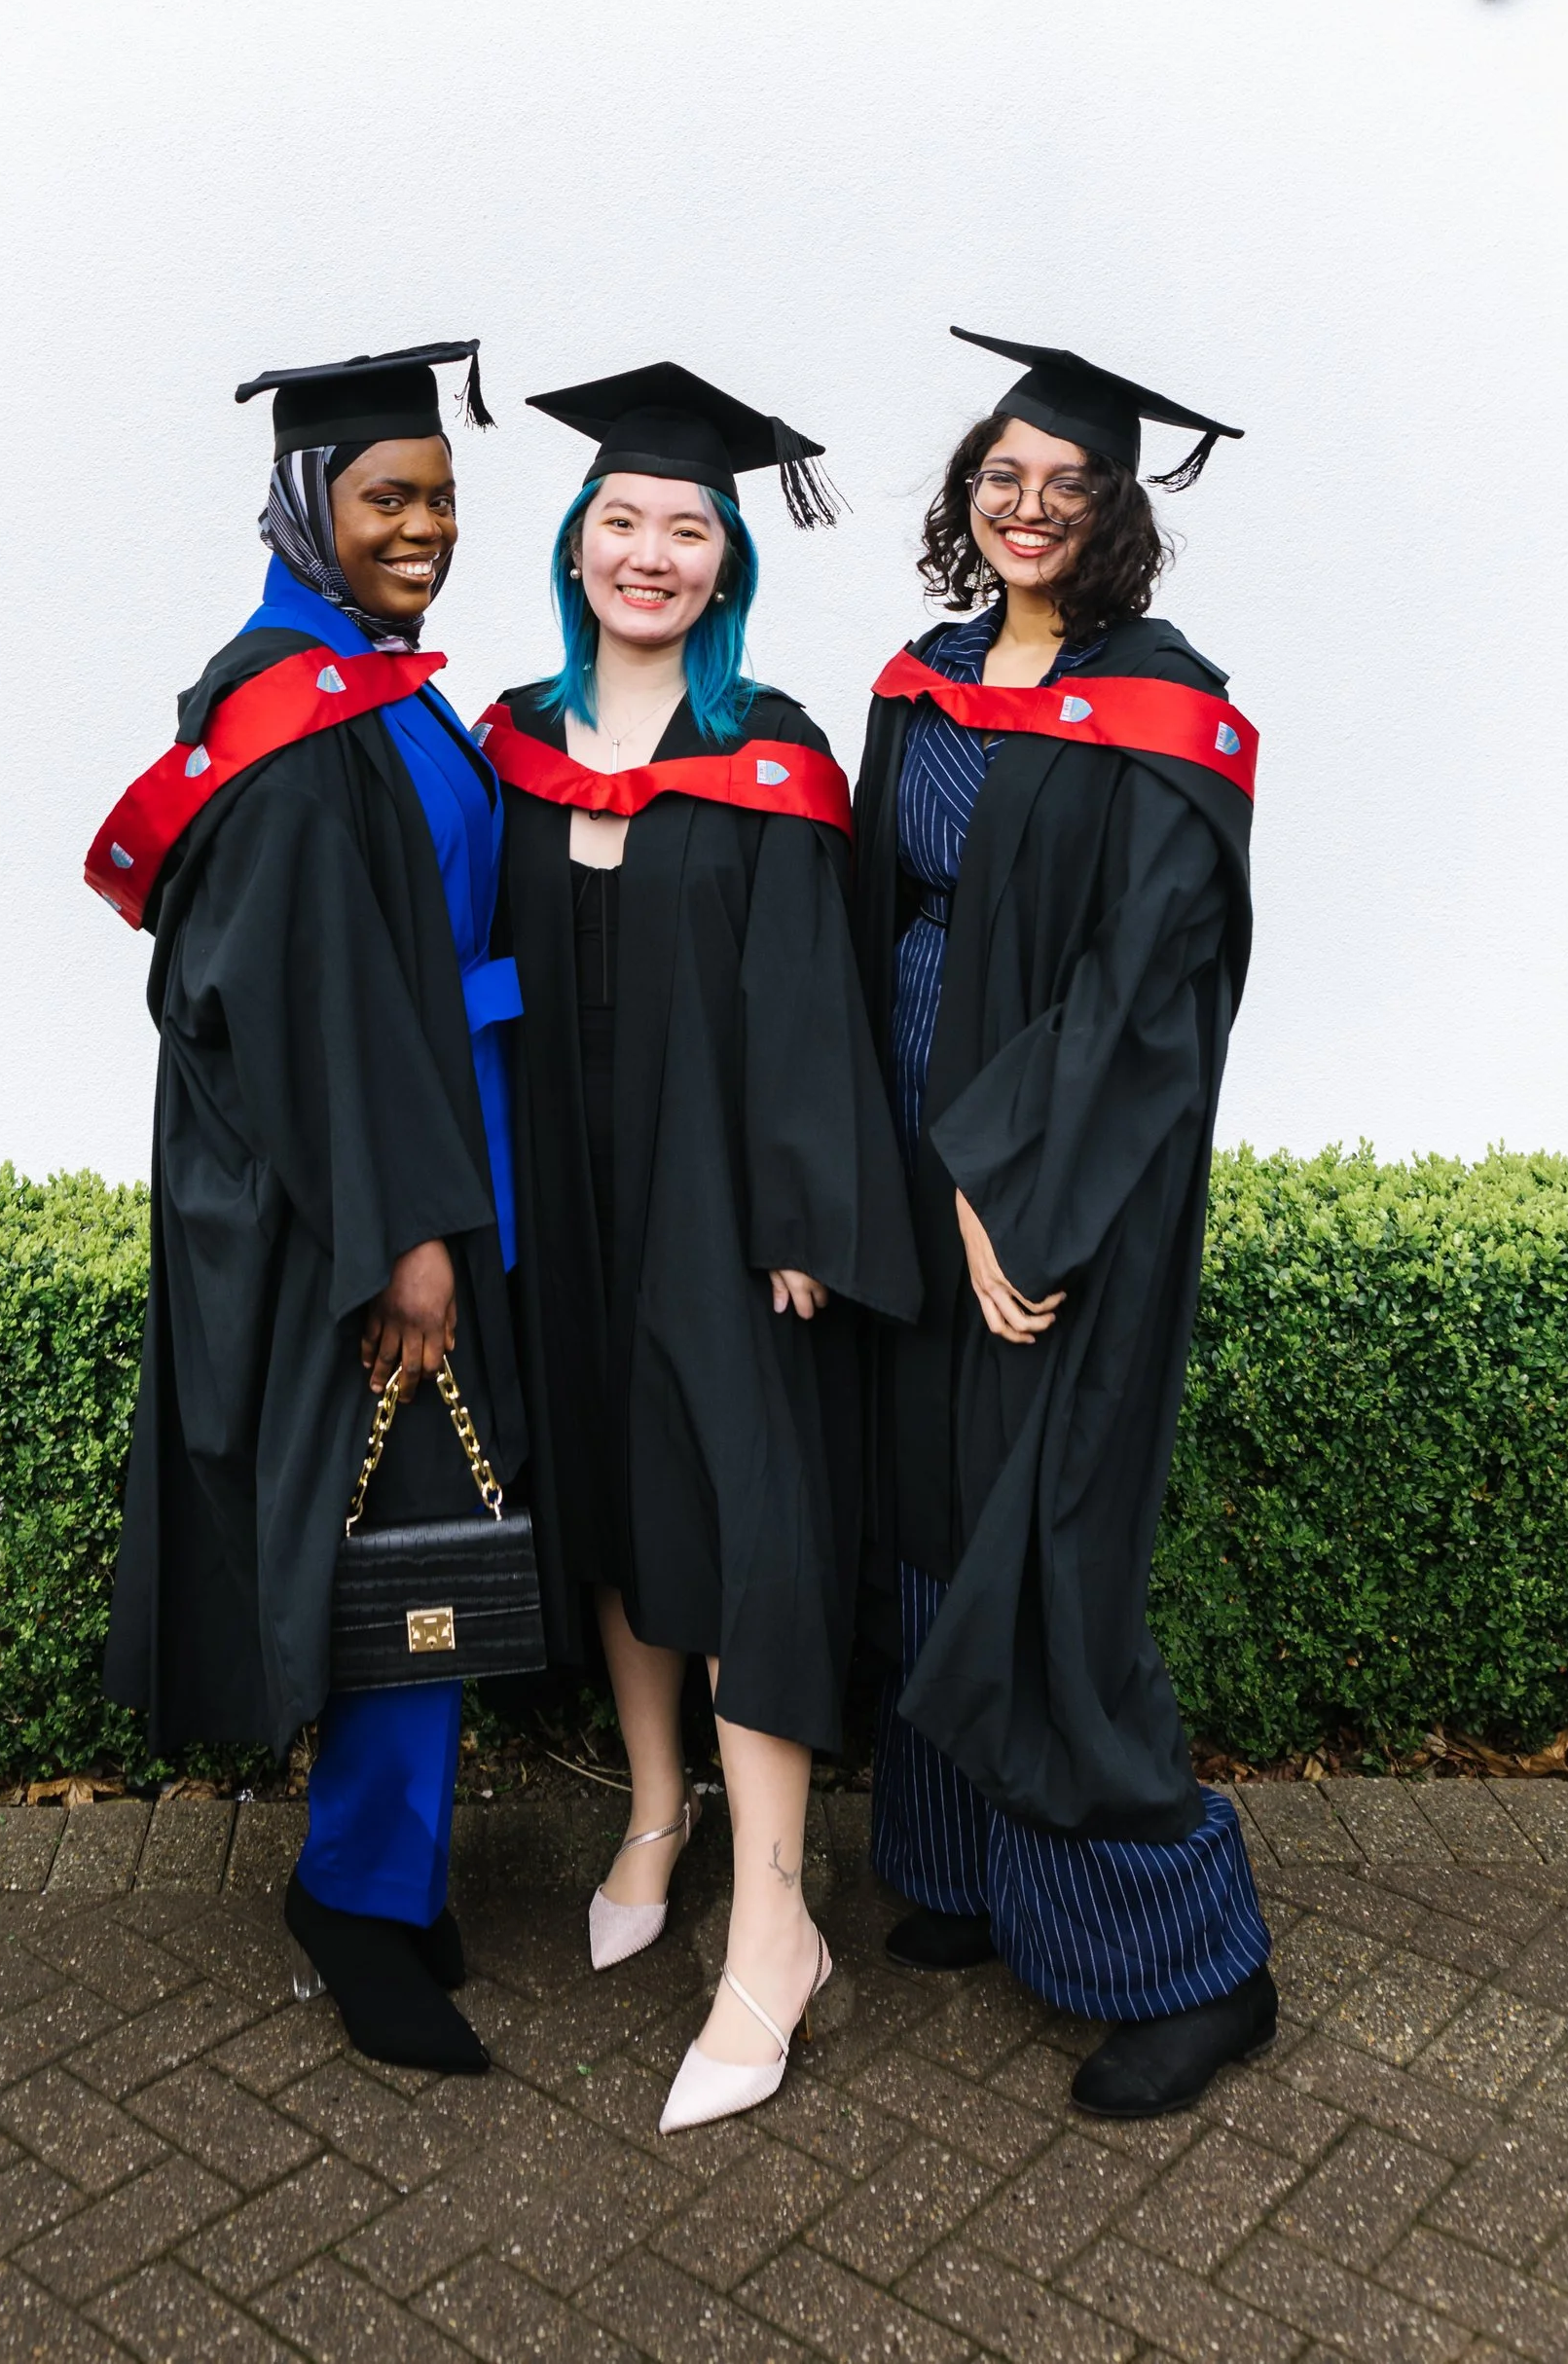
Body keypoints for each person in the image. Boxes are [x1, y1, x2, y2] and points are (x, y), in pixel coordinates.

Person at [474, 363, 920, 2134]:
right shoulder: (506, 733)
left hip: (721, 1221)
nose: (647, 553)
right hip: (560, 1210)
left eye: (685, 529)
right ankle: (652, 1810)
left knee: (742, 1538)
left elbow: (816, 997)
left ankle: (776, 1925)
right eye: (619, 525)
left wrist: (804, 1213)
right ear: (575, 551)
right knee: (605, 1493)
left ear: (727, 563)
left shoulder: (772, 751)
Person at [92, 339, 529, 2078]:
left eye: (438, 498)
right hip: (370, 1199)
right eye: (386, 499)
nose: (421, 526)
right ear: (305, 507)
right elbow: (292, 1007)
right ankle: (354, 1896)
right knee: (402, 1533)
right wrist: (402, 1233)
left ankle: (389, 1866)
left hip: (443, 1156)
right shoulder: (287, 707)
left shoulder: (386, 685)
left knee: (407, 1534)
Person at [854, 329, 1275, 2121]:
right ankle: (969, 1871)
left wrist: (1004, 1190)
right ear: (969, 493)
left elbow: (1152, 984)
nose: (1027, 506)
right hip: (905, 1150)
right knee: (925, 1505)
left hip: (1054, 1183)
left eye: (1065, 482)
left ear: (1115, 511)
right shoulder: (923, 681)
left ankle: (1194, 1965)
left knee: (1044, 1540)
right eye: (1001, 475)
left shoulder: (1167, 704)